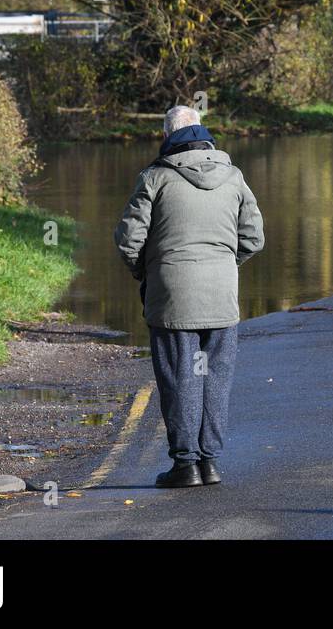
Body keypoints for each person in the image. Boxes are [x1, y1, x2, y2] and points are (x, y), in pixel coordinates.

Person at [114, 105, 264, 488]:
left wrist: (143, 271)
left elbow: (128, 240)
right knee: (216, 378)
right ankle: (210, 462)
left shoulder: (155, 178)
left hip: (170, 296)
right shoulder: (234, 177)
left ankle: (185, 465)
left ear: (167, 135)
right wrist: (225, 266)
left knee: (180, 378)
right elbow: (253, 239)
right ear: (202, 131)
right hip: (221, 296)